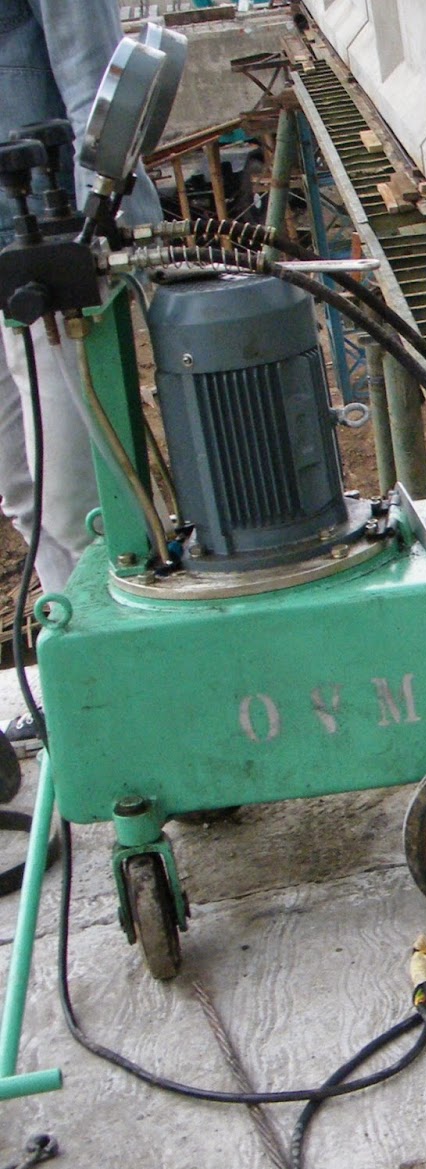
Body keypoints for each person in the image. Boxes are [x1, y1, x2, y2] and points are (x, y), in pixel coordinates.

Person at [0, 0, 161, 748]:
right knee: (23, 497)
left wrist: (109, 230)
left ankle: (152, 705)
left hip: (43, 243)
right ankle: (89, 696)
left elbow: (94, 71)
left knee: (83, 505)